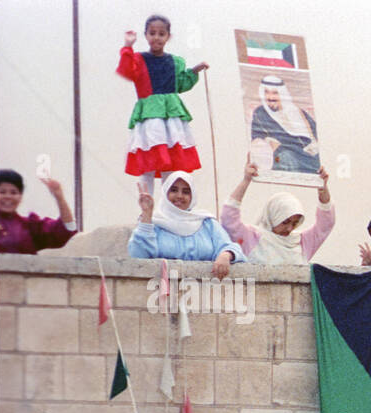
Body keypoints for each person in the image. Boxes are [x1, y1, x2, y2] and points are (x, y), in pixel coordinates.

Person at [116, 15, 207, 193]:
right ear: (146, 35)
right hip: (150, 115)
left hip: (172, 116)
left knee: (172, 162)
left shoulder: (176, 61)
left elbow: (180, 84)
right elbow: (126, 71)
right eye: (152, 33)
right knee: (148, 160)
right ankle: (145, 207)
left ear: (168, 36)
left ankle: (169, 206)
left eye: (161, 33)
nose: (156, 37)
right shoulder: (139, 59)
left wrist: (195, 70)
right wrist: (128, 46)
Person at [128, 172, 244, 278]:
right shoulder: (154, 223)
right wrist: (147, 214)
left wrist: (226, 255)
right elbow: (138, 256)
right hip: (161, 294)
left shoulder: (207, 222)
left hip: (203, 292)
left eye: (186, 192)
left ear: (192, 196)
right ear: (165, 193)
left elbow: (230, 247)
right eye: (174, 190)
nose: (179, 196)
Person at [221, 157, 334, 264]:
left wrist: (323, 188)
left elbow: (326, 224)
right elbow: (228, 218)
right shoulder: (251, 238)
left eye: (295, 223)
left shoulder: (302, 242)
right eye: (285, 222)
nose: (289, 228)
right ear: (273, 217)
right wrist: (246, 180)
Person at [250, 75, 320, 174]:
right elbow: (257, 138)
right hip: (286, 157)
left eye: (275, 93)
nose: (270, 97)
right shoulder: (261, 113)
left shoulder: (298, 112)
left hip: (309, 157)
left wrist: (314, 147)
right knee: (286, 157)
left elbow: (317, 134)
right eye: (266, 92)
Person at [0, 169, 77, 254]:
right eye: (2, 192)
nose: (8, 196)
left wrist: (59, 197)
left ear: (20, 197)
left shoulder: (30, 226)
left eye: (13, 193)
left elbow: (68, 229)